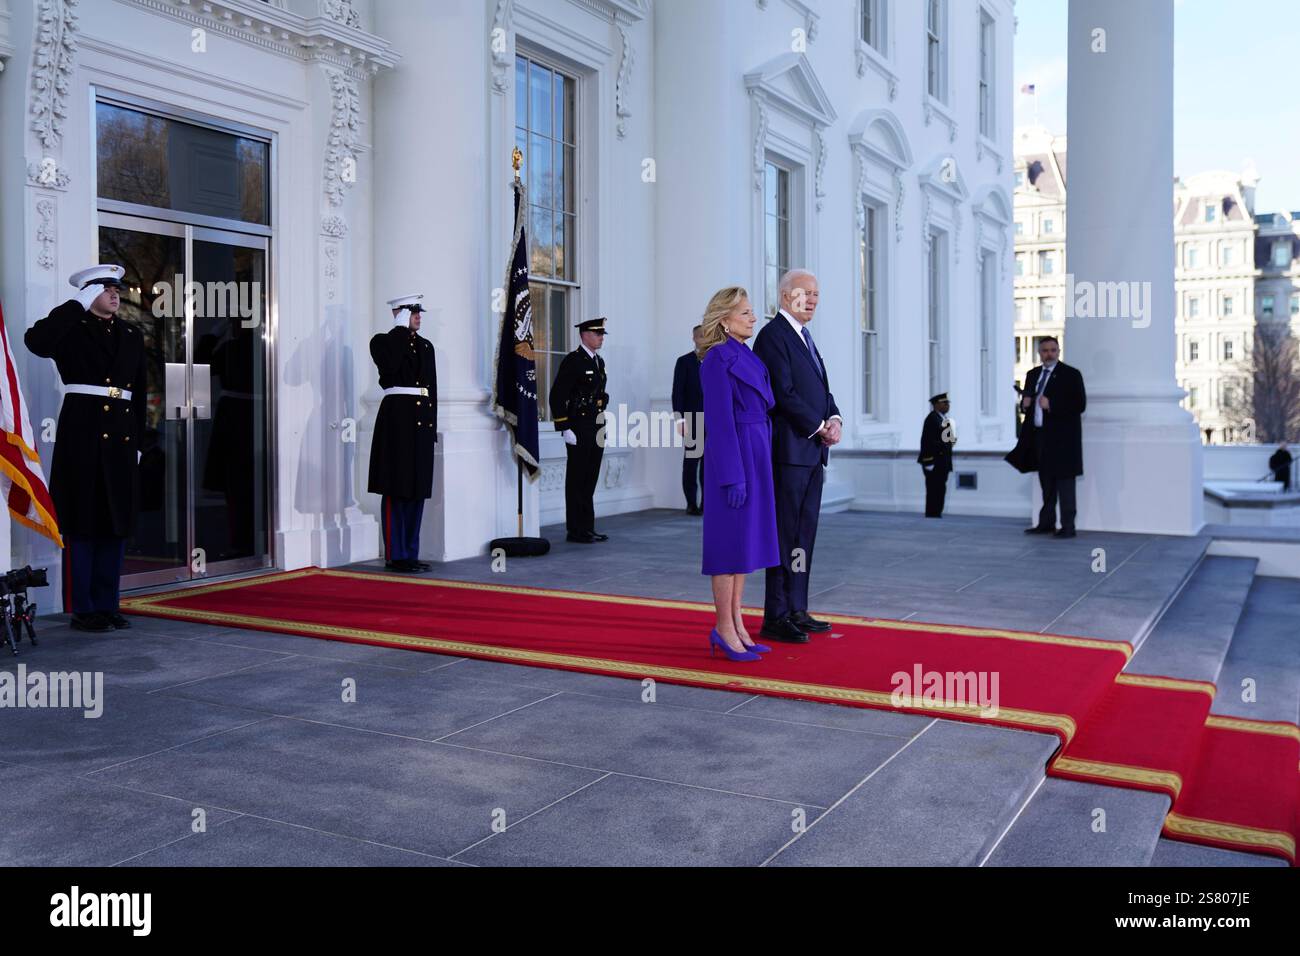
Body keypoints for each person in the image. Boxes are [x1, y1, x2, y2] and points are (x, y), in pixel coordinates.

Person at [25, 264, 146, 632]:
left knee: (115, 523)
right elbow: (37, 341)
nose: (115, 294)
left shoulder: (131, 333)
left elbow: (137, 392)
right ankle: (84, 608)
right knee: (83, 522)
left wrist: (138, 441)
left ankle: (108, 604)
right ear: (88, 293)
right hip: (84, 433)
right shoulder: (70, 330)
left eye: (116, 288)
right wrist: (74, 305)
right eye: (106, 288)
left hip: (121, 436)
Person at [752, 269, 840, 643]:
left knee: (804, 536)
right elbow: (783, 393)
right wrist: (818, 425)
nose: (815, 300)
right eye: (809, 293)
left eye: (818, 294)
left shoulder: (804, 337)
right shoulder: (773, 336)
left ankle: (797, 607)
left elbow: (821, 387)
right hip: (788, 453)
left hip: (812, 453)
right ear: (788, 296)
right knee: (785, 536)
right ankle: (776, 614)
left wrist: (834, 417)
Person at [699, 287, 778, 662]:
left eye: (751, 312)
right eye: (745, 313)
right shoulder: (716, 360)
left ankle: (737, 623)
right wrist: (733, 475)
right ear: (725, 320)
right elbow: (720, 423)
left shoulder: (747, 356)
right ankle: (723, 628)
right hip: (733, 459)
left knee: (745, 546)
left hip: (757, 453)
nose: (753, 318)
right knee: (728, 547)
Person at [368, 294, 437, 572]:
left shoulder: (426, 346)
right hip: (397, 420)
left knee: (416, 489)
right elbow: (390, 367)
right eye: (413, 311)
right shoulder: (383, 341)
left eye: (420, 311)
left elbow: (432, 389)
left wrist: (432, 426)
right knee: (397, 488)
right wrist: (399, 330)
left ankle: (410, 552)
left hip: (420, 423)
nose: (419, 316)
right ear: (398, 313)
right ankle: (395, 555)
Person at [551, 317, 610, 543]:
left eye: (602, 334)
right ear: (585, 334)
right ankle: (575, 529)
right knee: (577, 479)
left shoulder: (598, 361)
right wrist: (564, 427)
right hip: (578, 426)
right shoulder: (573, 361)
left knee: (590, 477)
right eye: (598, 334)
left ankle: (587, 527)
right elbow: (557, 395)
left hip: (596, 425)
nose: (601, 338)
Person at [1020, 336, 1086, 537]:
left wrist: (1053, 405)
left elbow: (1079, 405)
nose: (1049, 354)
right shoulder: (1033, 374)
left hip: (1063, 440)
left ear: (1058, 351)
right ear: (1039, 353)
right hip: (1040, 437)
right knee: (1046, 483)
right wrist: (1025, 405)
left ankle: (1068, 527)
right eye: (1045, 350)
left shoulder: (1071, 374)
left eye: (1053, 350)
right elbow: (1029, 404)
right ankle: (1046, 523)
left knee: (1065, 484)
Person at [671, 325, 706, 515]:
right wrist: (679, 420)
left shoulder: (715, 361)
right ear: (694, 338)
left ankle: (707, 504)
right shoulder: (684, 362)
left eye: (706, 335)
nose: (704, 338)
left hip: (714, 422)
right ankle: (691, 503)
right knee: (691, 465)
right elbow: (677, 394)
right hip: (692, 422)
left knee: (709, 467)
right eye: (701, 336)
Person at [918, 393, 955, 517]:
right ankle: (932, 514)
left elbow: (948, 441)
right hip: (934, 462)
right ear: (936, 405)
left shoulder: (943, 419)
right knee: (934, 490)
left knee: (940, 489)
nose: (947, 405)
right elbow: (927, 443)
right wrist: (928, 461)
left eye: (948, 403)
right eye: (945, 403)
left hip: (942, 462)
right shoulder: (932, 419)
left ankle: (936, 513)